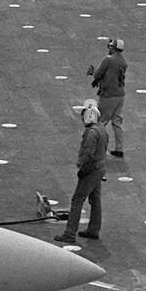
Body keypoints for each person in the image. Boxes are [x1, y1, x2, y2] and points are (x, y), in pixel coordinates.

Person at [54, 100, 108, 242]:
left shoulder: (91, 133)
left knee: (77, 200)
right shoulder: (102, 129)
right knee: (95, 200)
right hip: (100, 168)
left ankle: (70, 233)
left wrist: (82, 169)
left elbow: (87, 154)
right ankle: (93, 229)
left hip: (91, 169)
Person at [90, 37, 127, 157]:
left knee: (101, 122)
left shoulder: (108, 60)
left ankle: (99, 148)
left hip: (108, 94)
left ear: (113, 48)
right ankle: (119, 148)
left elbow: (98, 73)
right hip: (120, 94)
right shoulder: (123, 62)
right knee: (117, 122)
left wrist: (93, 74)